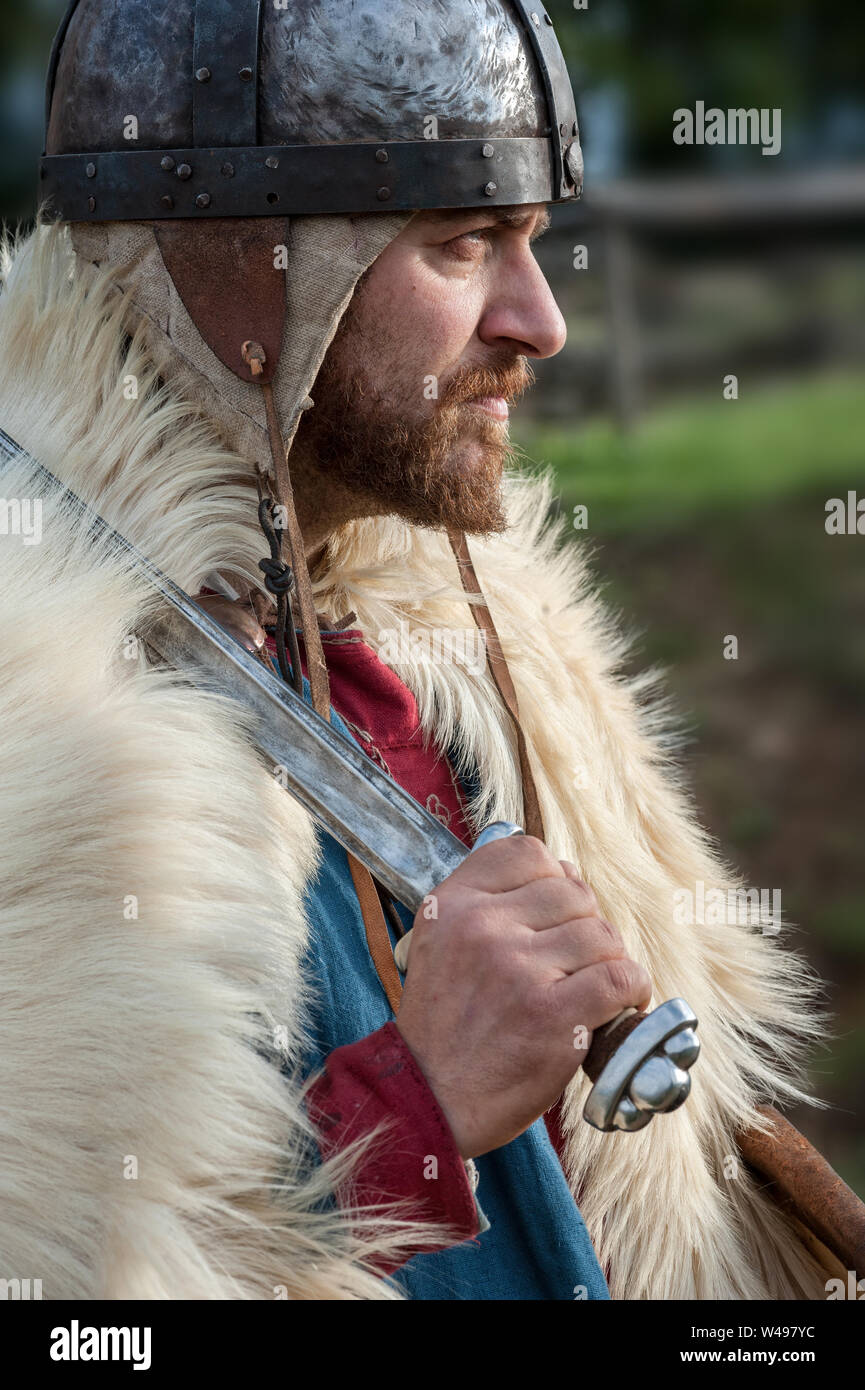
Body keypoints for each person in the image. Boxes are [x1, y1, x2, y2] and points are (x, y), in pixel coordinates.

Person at [0, 0, 832, 1299]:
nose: (539, 320)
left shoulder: (467, 631)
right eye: (463, 243)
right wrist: (414, 1108)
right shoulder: (33, 702)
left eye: (531, 241)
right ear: (251, 270)